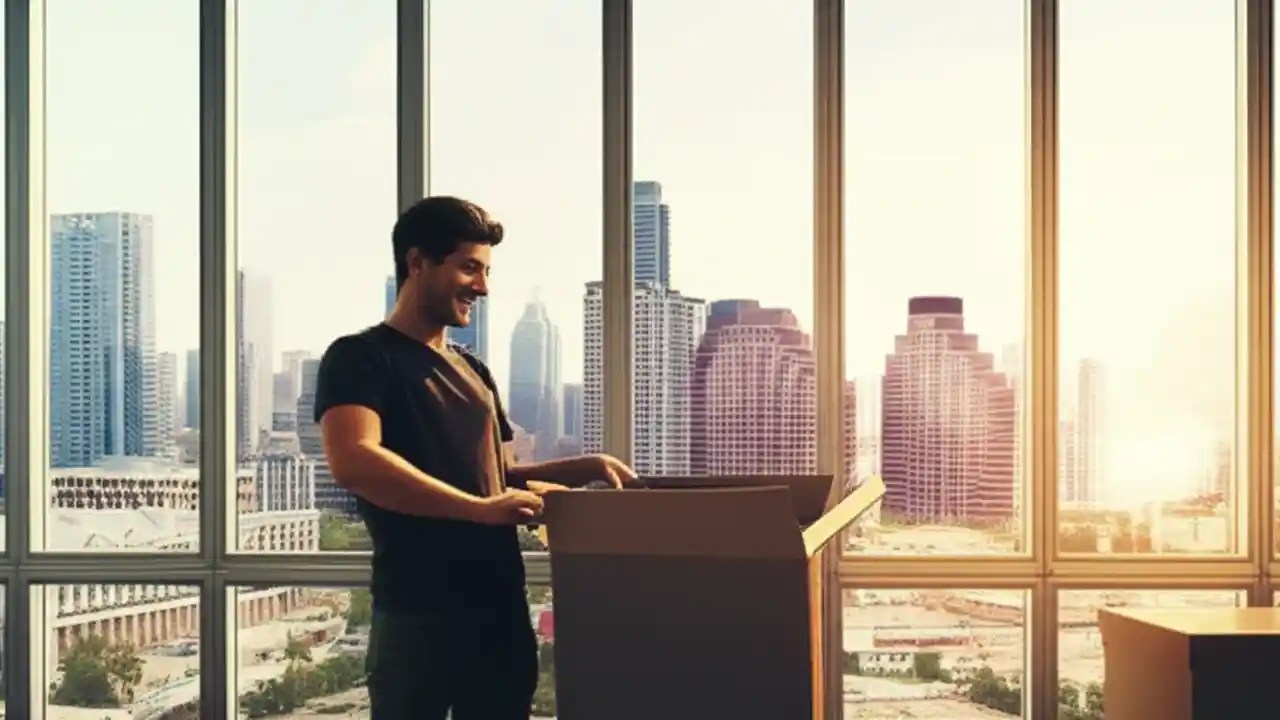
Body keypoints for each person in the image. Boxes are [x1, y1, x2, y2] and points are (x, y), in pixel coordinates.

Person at [314, 196, 637, 719]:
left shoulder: (474, 371)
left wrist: (581, 468)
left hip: (498, 612)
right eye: (469, 267)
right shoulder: (360, 357)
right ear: (417, 262)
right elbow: (354, 458)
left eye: (486, 271)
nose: (483, 287)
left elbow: (492, 476)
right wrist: (479, 510)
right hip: (418, 616)